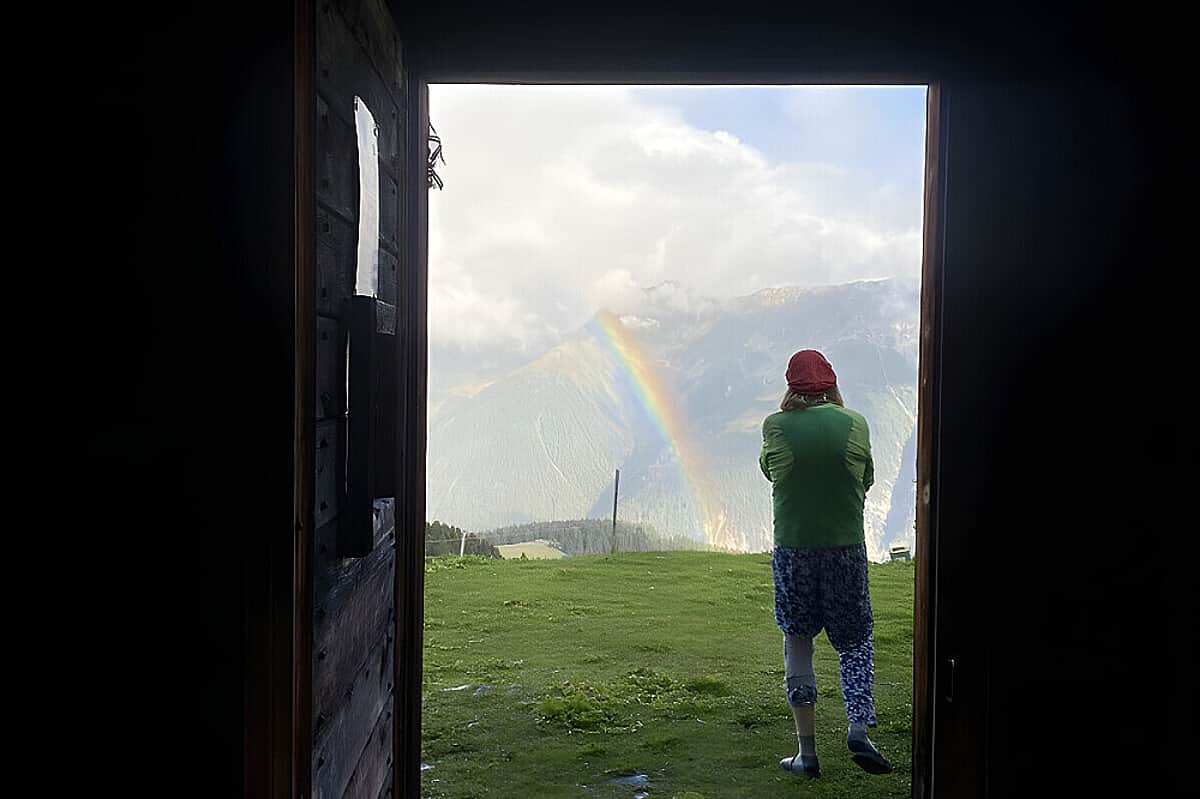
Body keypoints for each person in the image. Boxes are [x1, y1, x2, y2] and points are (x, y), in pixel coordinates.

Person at [759, 349, 892, 778]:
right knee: (855, 641)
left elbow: (770, 470)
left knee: (798, 640)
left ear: (791, 387)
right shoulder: (855, 423)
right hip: (845, 548)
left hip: (794, 551)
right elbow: (866, 477)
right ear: (832, 385)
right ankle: (858, 729)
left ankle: (807, 753)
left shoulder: (776, 426)